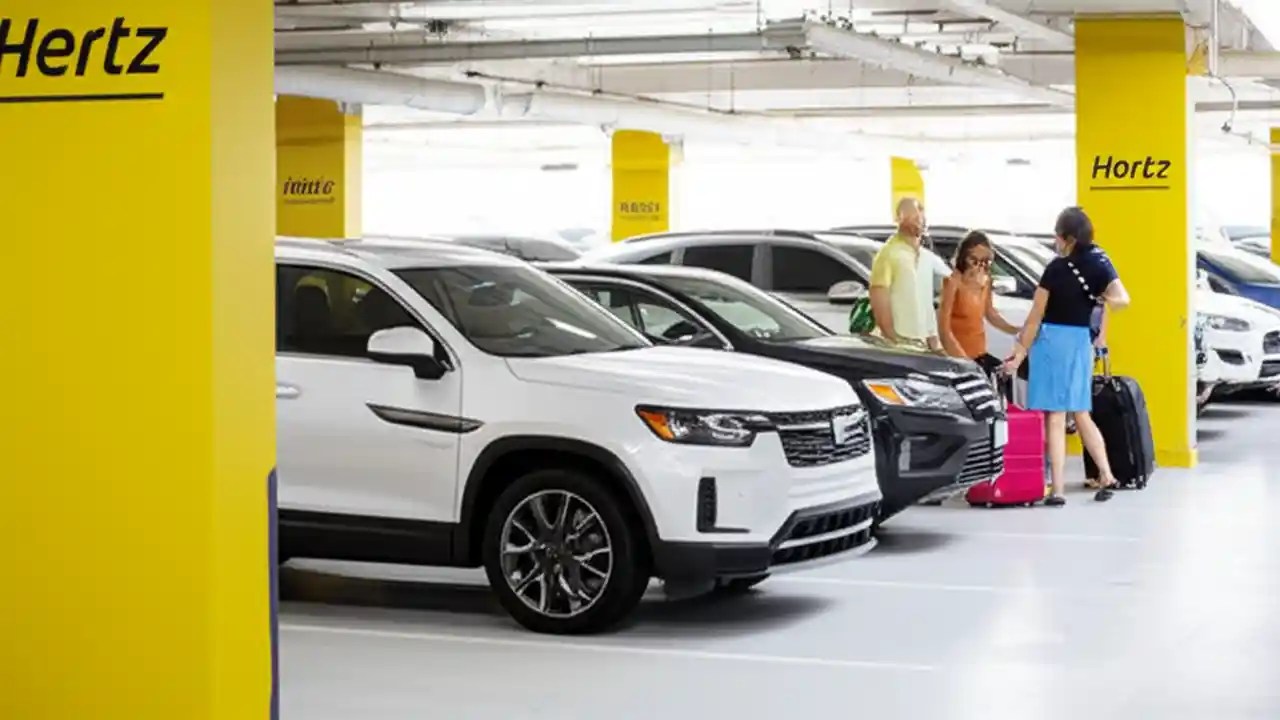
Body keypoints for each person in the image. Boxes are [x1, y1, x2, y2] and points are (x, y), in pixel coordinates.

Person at [1004, 207, 1130, 506]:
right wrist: (1105, 299)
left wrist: (1020, 354)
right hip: (1079, 345)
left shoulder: (1055, 270)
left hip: (1051, 344)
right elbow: (1124, 300)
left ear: (1068, 239)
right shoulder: (1102, 262)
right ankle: (1107, 474)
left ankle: (1058, 489)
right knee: (1081, 412)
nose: (1056, 242)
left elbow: (1035, 316)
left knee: (1056, 417)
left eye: (1058, 236)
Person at [938, 230, 1019, 373]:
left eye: (985, 261)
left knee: (1005, 377)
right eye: (974, 260)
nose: (979, 266)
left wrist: (1017, 330)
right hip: (958, 358)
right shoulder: (952, 282)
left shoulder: (986, 281)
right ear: (964, 258)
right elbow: (944, 330)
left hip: (979, 354)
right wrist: (964, 362)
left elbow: (990, 313)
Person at [869, 197, 941, 351]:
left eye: (920, 217)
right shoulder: (888, 254)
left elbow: (926, 304)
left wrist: (934, 344)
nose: (918, 222)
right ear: (899, 219)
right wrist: (891, 339)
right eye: (913, 218)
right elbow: (879, 298)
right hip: (899, 345)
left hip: (922, 346)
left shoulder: (924, 257)